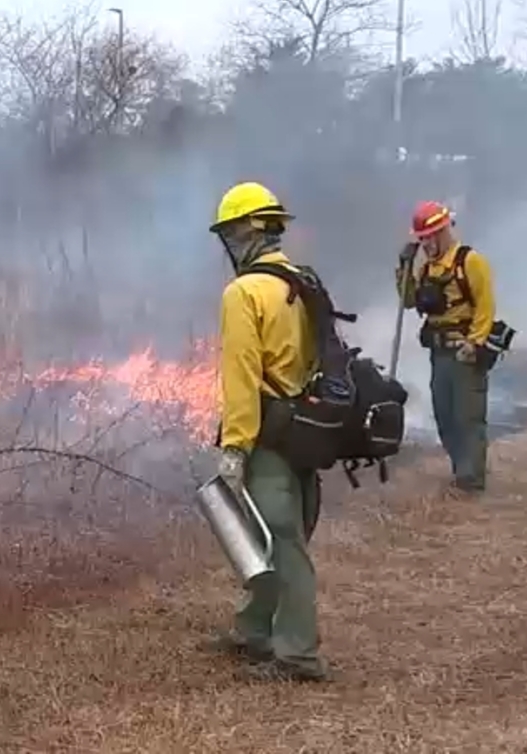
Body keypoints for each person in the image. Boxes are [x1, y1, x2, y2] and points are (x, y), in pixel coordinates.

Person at [204, 181, 330, 683]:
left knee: (281, 540)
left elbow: (241, 376)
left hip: (269, 436)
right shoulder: (301, 282)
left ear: (246, 233)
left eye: (231, 234)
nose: (229, 245)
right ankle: (255, 629)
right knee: (273, 534)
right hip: (306, 427)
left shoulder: (243, 293)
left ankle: (297, 654)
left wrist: (234, 447)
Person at [397, 200, 495, 494]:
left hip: (464, 352)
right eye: (421, 239)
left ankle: (471, 480)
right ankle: (460, 470)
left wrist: (475, 342)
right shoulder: (427, 269)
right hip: (438, 353)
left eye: (428, 237)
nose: (425, 244)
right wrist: (404, 267)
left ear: (442, 232)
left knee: (468, 417)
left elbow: (485, 306)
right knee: (444, 415)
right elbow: (409, 300)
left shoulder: (470, 261)